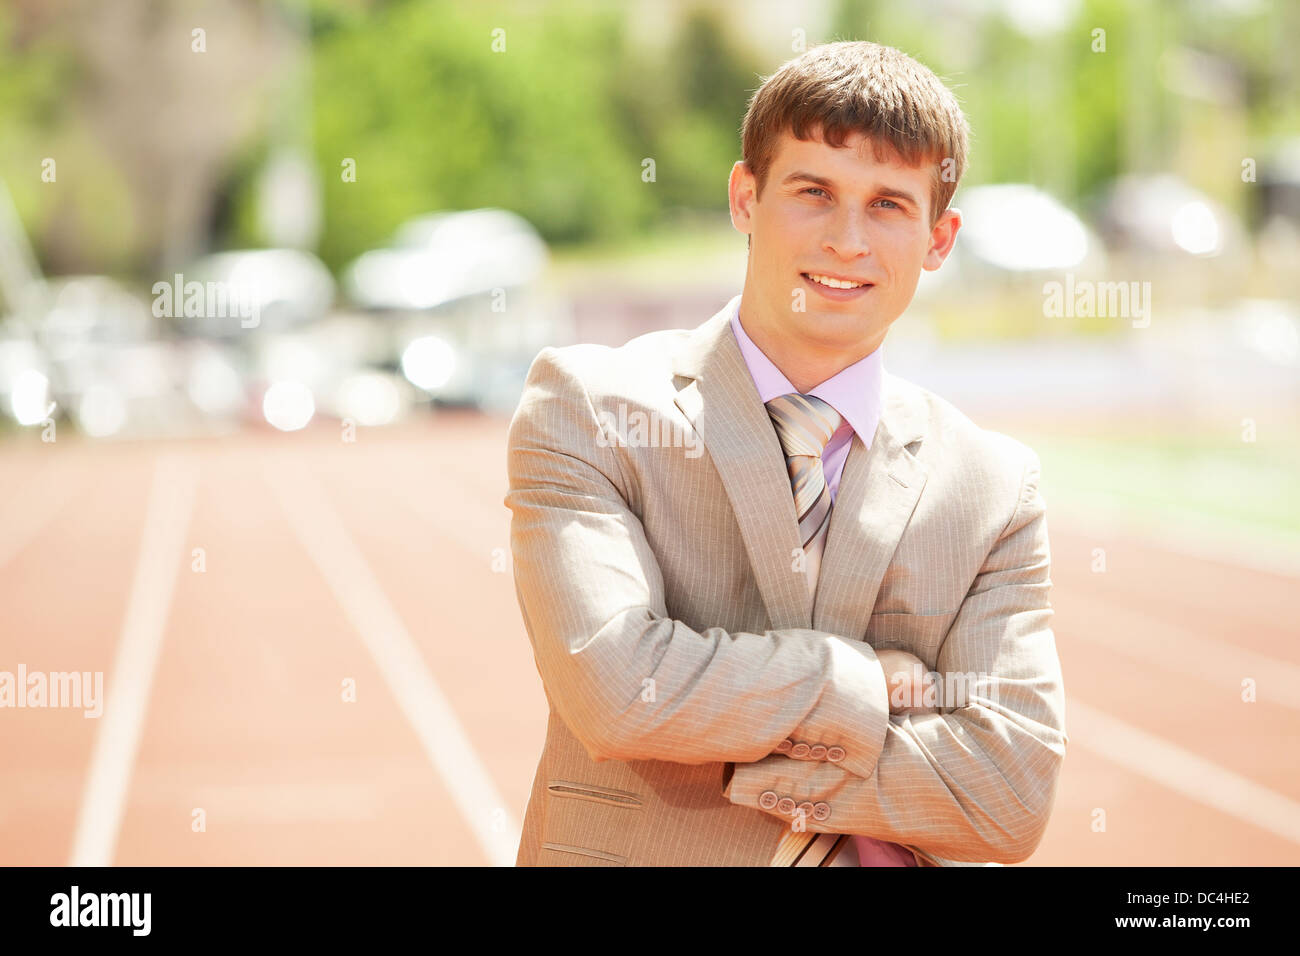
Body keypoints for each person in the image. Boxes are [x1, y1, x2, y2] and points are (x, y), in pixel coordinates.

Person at [504, 39, 1067, 866]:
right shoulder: (593, 409)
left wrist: (730, 735)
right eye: (814, 192)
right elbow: (619, 691)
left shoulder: (991, 490)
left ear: (939, 238)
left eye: (888, 205)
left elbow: (1009, 794)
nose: (847, 240)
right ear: (745, 196)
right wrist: (870, 682)